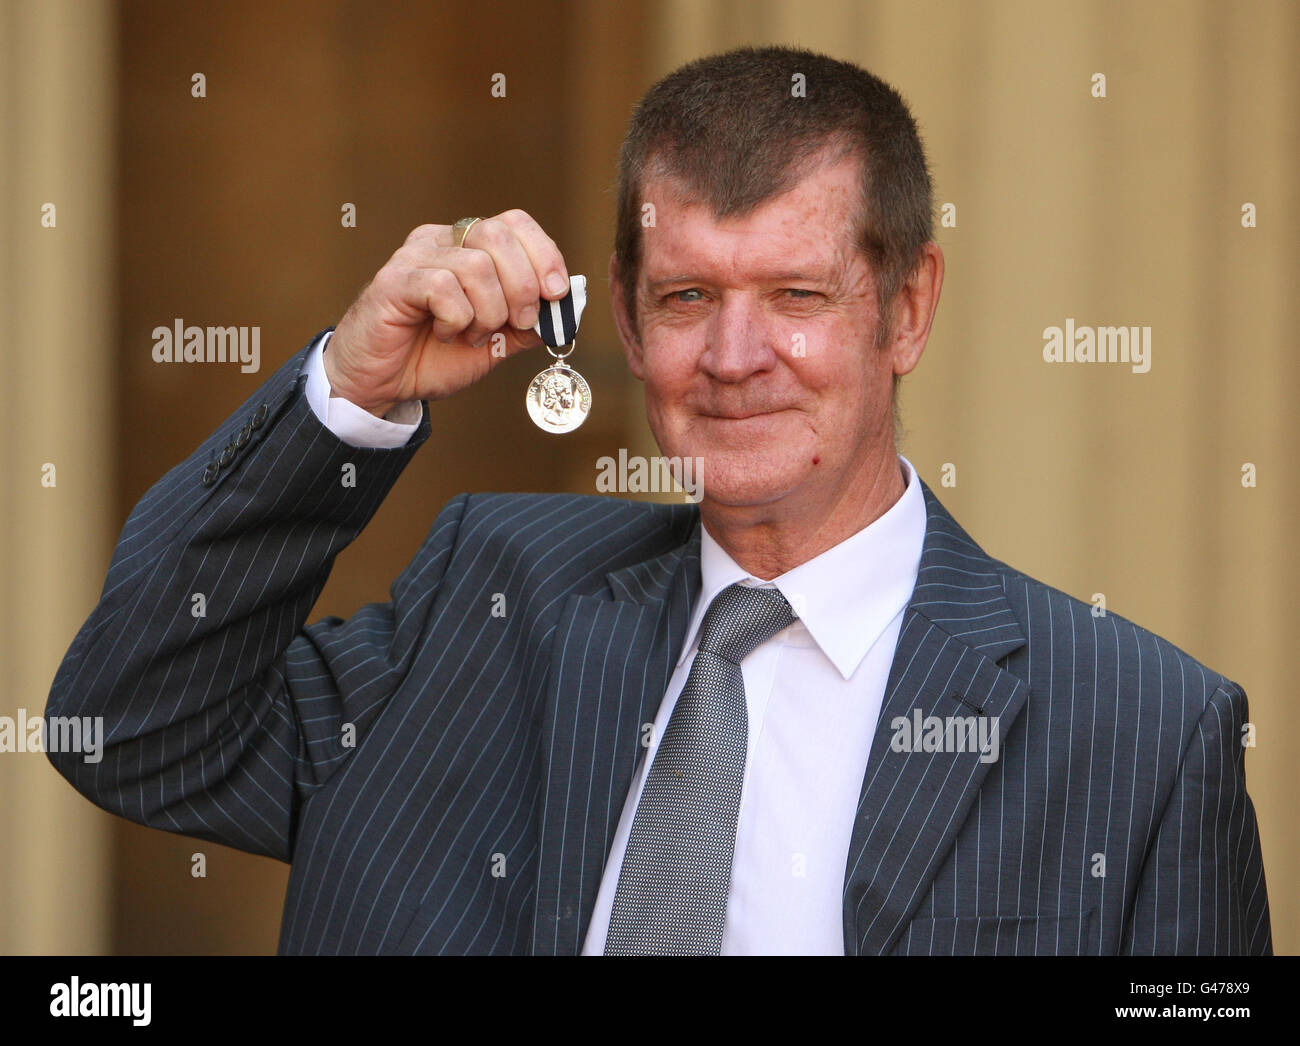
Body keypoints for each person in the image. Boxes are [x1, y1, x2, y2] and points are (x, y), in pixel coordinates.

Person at [45, 45, 1270, 955]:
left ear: (905, 309)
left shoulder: (1142, 732)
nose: (733, 357)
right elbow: (136, 730)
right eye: (686, 298)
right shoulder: (491, 593)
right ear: (624, 318)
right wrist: (348, 394)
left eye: (796, 295)